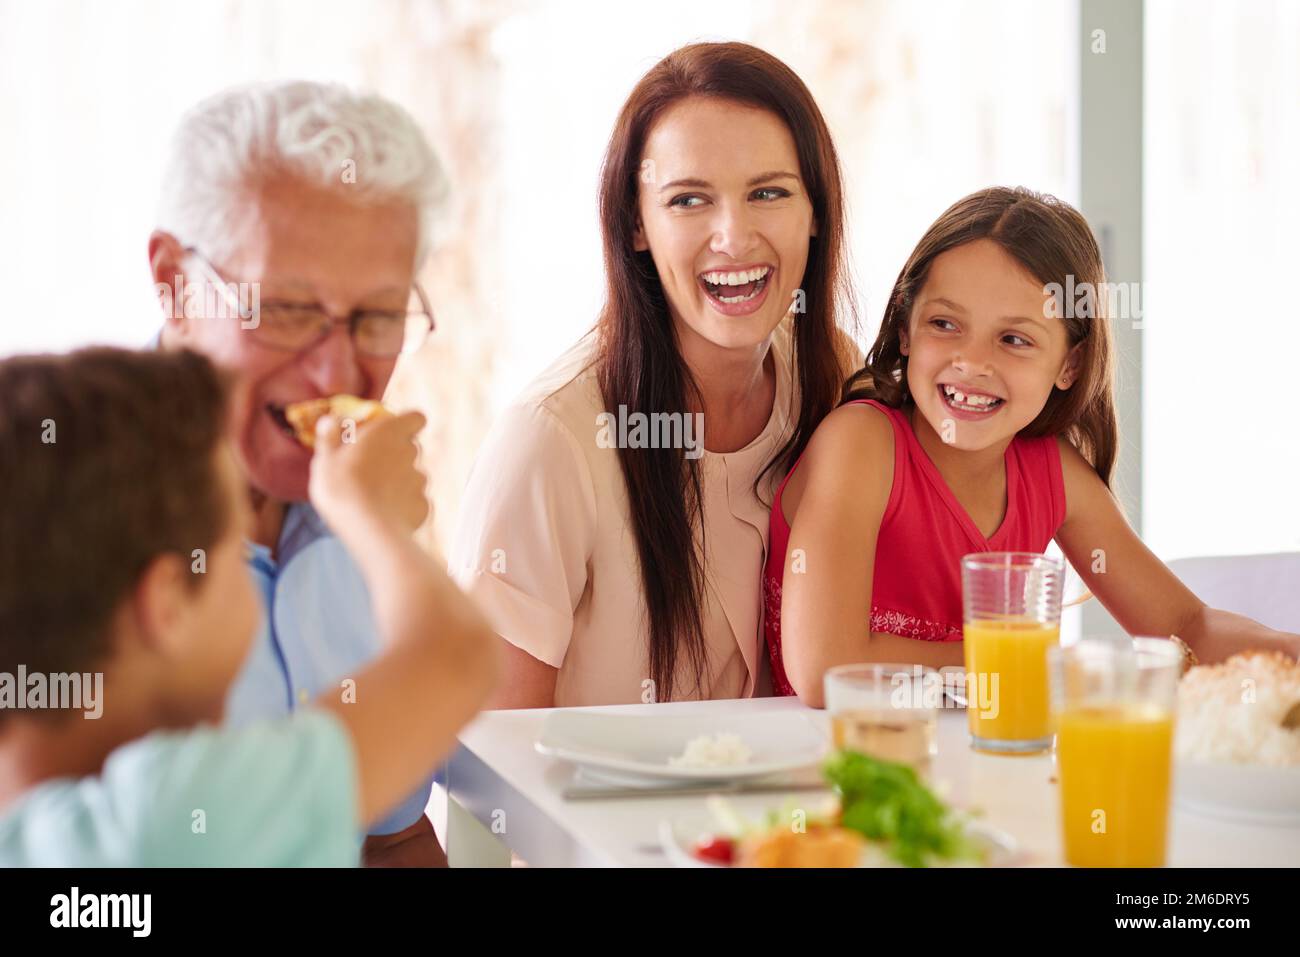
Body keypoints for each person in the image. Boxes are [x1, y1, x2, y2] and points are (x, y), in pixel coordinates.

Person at [766, 186, 1300, 705]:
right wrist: (1027, 663)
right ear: (906, 330)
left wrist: (1282, 653)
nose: (972, 362)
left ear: (1069, 365)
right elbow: (825, 668)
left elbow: (1185, 625)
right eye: (944, 324)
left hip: (969, 767)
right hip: (830, 771)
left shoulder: (1052, 473)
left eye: (1014, 340)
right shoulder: (861, 444)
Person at [449, 42, 859, 707]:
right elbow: (493, 763)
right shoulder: (551, 441)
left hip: (793, 813)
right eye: (689, 199)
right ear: (636, 225)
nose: (733, 235)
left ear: (815, 213)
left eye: (769, 192)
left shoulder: (835, 378)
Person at [0, 347, 497, 865]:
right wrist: (370, 514)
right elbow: (458, 656)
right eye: (239, 548)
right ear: (167, 603)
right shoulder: (164, 819)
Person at [149, 80, 452, 864]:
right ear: (174, 284)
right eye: (283, 308)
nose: (334, 372)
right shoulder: (55, 512)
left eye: (378, 315)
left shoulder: (364, 505)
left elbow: (393, 839)